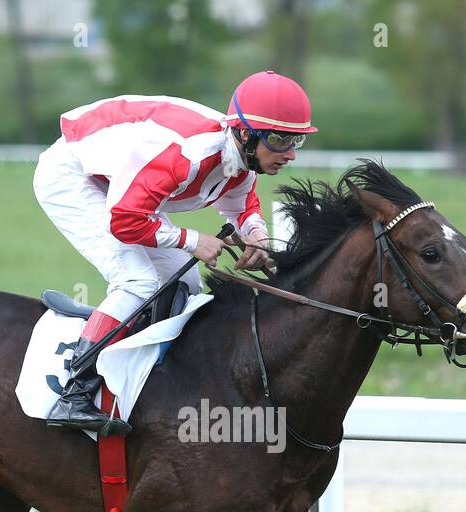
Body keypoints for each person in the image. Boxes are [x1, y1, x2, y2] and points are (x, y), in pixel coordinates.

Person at [33, 70, 317, 436]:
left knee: (187, 283)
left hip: (122, 186)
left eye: (297, 142)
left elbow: (241, 203)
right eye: (280, 140)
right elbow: (125, 220)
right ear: (245, 134)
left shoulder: (239, 159)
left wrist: (256, 235)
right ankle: (76, 390)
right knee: (137, 281)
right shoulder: (191, 154)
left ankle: (149, 379)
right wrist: (191, 240)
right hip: (74, 176)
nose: (290, 154)